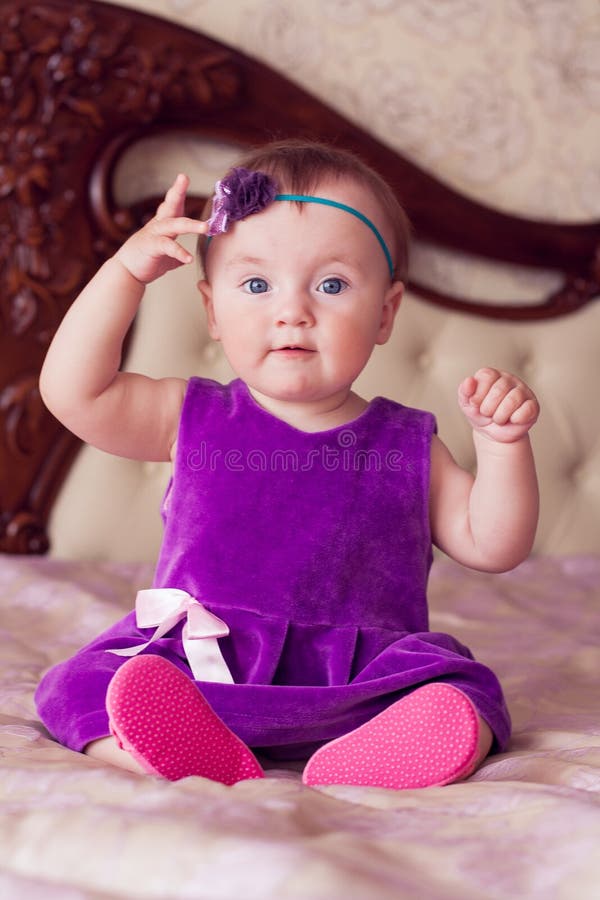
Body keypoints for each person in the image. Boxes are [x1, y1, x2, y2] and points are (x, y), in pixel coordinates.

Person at [35, 139, 539, 790]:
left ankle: (376, 759)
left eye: (332, 284)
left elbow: (494, 543)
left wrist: (503, 446)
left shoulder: (406, 443)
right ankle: (175, 750)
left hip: (361, 682)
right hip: (203, 666)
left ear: (385, 312)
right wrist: (125, 274)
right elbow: (74, 392)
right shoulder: (189, 416)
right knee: (84, 686)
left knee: (467, 695)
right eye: (256, 283)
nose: (293, 310)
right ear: (213, 310)